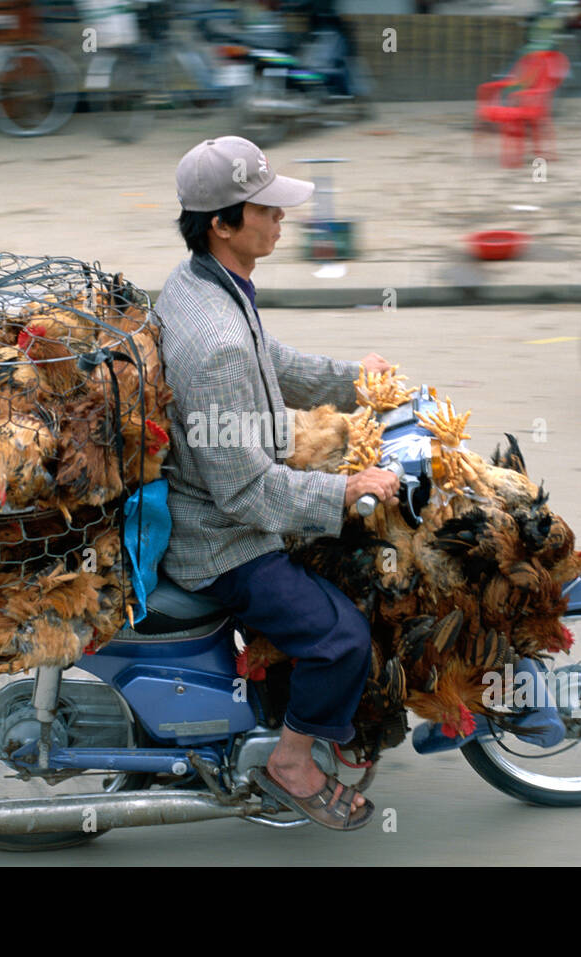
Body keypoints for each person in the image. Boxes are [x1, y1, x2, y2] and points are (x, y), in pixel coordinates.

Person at [156, 135, 400, 830]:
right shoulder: (216, 341)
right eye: (265, 209)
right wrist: (345, 490)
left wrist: (356, 380)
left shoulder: (205, 282)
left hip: (225, 503)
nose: (280, 218)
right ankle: (291, 759)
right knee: (343, 636)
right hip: (223, 542)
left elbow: (275, 361)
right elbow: (245, 494)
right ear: (222, 224)